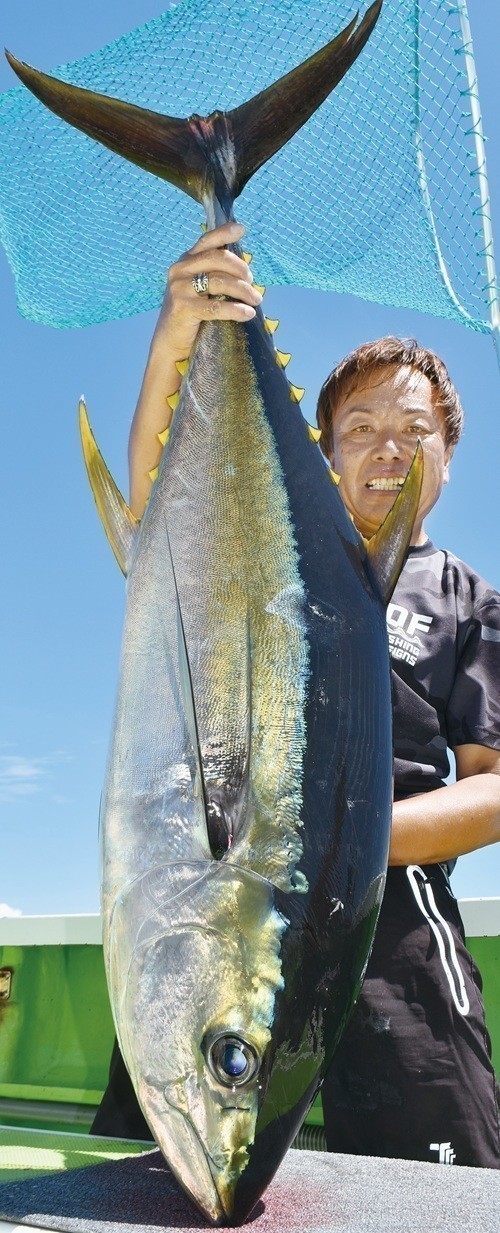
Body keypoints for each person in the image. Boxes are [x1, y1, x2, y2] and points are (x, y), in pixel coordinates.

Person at [92, 223, 500, 1167]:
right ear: (322, 448)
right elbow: (159, 524)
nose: (388, 450)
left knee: (450, 1175)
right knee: (173, 1137)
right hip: (215, 891)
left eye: (415, 432)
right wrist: (174, 337)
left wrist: (352, 839)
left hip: (387, 911)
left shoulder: (471, 600)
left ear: (450, 452)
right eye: (359, 429)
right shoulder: (260, 565)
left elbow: (494, 781)